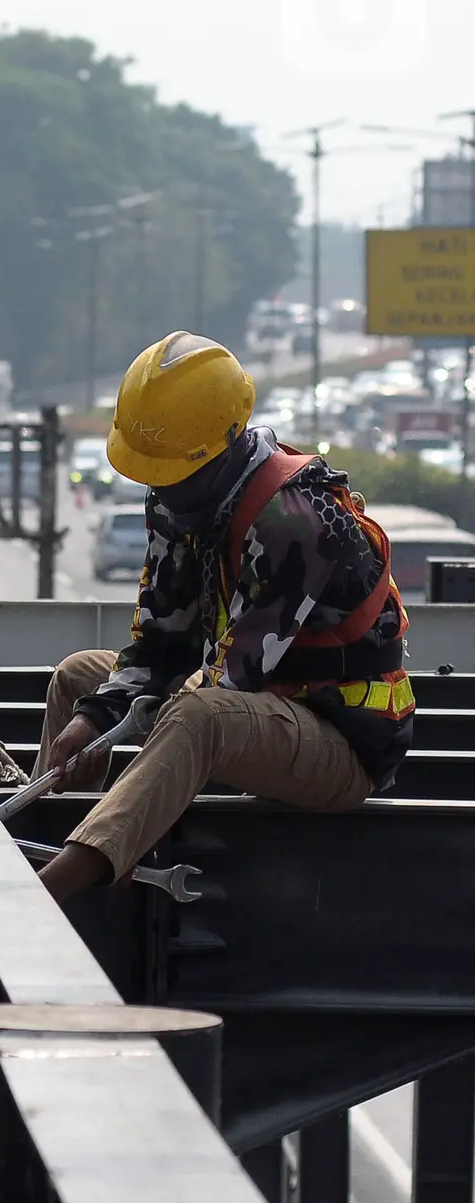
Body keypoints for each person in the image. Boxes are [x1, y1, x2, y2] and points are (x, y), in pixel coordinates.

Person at [37, 331, 414, 904]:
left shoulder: (297, 522)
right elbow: (161, 641)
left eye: (174, 474)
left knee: (200, 715)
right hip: (253, 709)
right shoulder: (181, 496)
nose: (162, 489)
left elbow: (234, 678)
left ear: (223, 448)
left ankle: (62, 881)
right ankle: (50, 836)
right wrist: (94, 718)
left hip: (341, 740)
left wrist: (137, 748)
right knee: (81, 676)